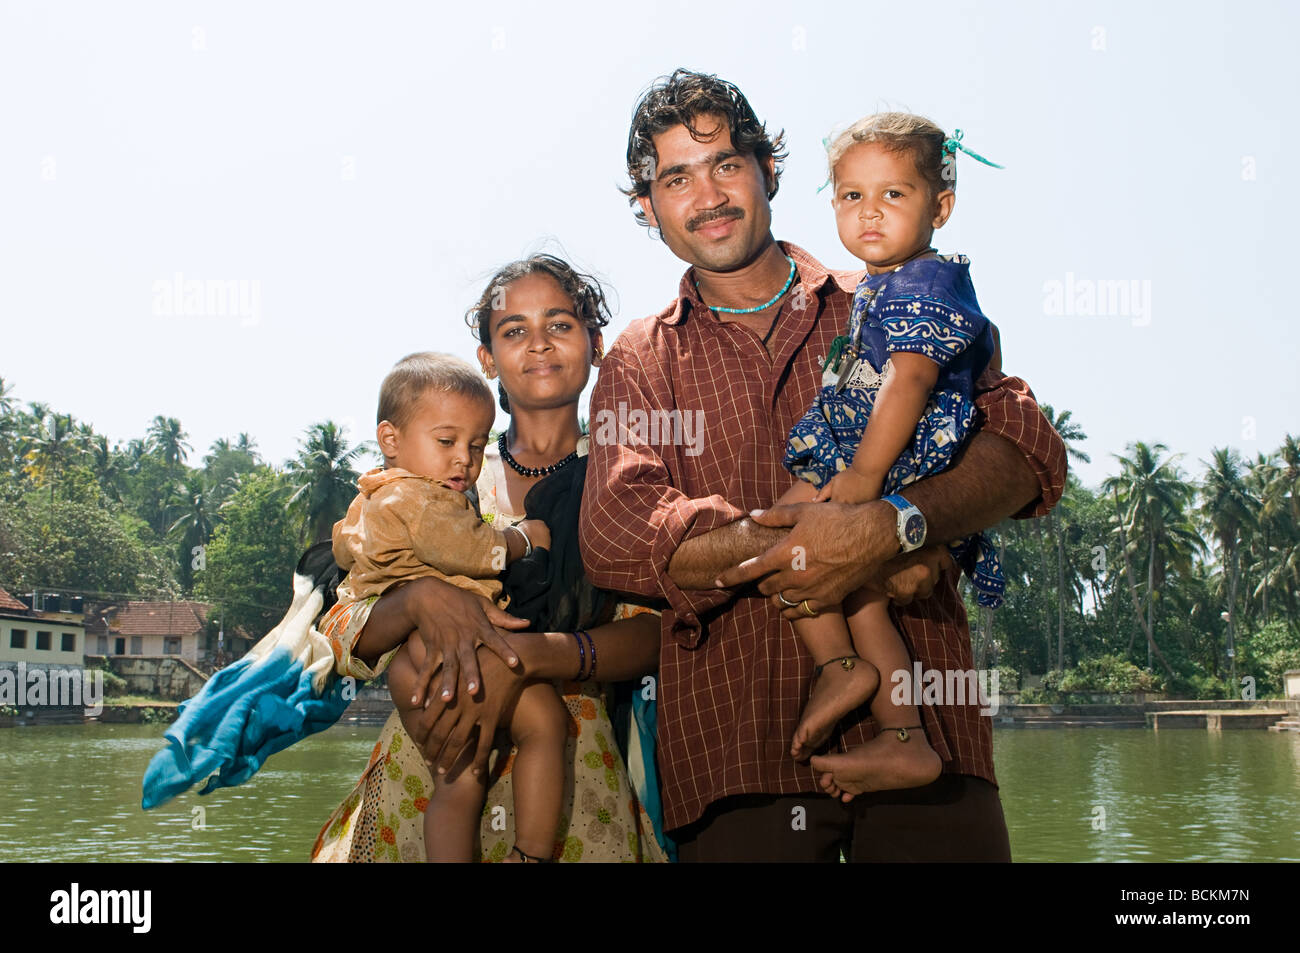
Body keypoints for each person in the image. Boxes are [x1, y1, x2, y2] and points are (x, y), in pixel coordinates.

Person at [578, 69, 1068, 861]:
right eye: (676, 178)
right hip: (737, 747)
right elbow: (617, 533)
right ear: (649, 206)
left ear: (770, 170)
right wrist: (813, 543)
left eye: (726, 164)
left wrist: (896, 525)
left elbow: (1025, 446)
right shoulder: (641, 358)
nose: (708, 194)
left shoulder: (890, 290)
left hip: (931, 745)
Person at [312, 256, 668, 863]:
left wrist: (534, 657)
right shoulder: (433, 477)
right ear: (486, 358)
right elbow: (341, 636)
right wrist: (420, 601)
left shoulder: (631, 479)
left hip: (571, 780)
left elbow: (659, 635)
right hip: (431, 762)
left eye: (560, 324)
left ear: (596, 343)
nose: (538, 345)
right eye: (513, 331)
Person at [774, 112, 1009, 793]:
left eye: (893, 195)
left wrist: (865, 474)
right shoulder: (883, 282)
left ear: (942, 206)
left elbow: (908, 379)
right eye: (851, 196)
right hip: (863, 448)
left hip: (895, 458)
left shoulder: (927, 281)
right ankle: (896, 729)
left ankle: (850, 677)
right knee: (842, 579)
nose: (868, 212)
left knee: (795, 544)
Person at [329, 351, 566, 863]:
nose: (464, 458)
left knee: (458, 779)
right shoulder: (423, 499)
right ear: (390, 439)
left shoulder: (377, 497)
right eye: (447, 442)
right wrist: (525, 538)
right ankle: (533, 853)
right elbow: (474, 550)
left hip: (415, 664)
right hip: (448, 655)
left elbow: (349, 564)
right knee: (545, 722)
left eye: (476, 445)